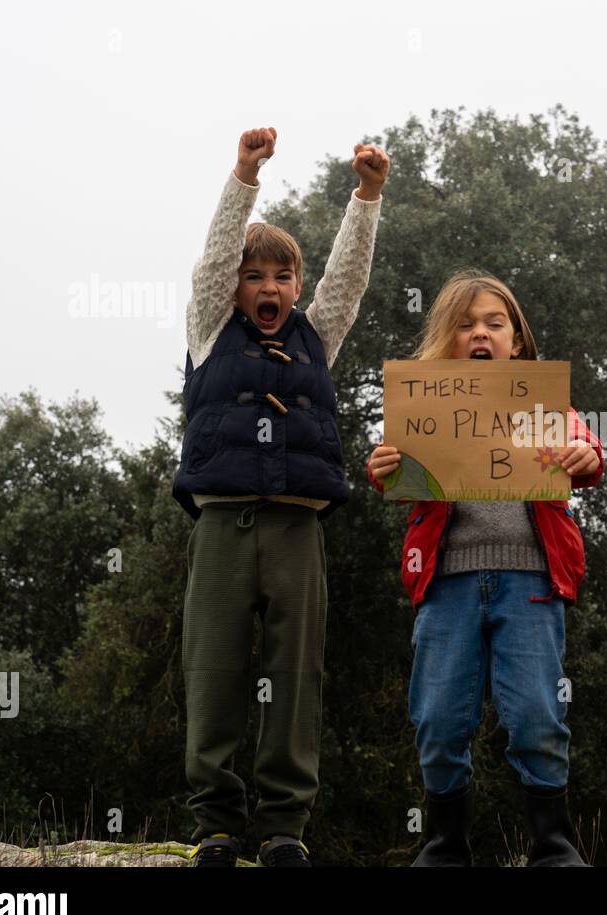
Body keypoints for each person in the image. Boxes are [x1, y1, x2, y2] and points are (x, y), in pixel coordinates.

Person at [173, 126, 389, 867]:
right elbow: (213, 258)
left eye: (281, 277)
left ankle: (283, 830)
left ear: (296, 288)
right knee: (214, 671)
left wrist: (366, 196)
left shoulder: (316, 338)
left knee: (296, 676)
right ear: (234, 286)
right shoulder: (208, 328)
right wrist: (243, 175)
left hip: (298, 529)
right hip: (222, 524)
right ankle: (217, 827)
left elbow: (349, 281)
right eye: (254, 276)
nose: (268, 288)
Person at [366, 270, 604, 866]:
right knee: (439, 717)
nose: (481, 333)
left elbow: (585, 450)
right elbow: (394, 471)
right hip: (445, 582)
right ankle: (446, 845)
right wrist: (383, 465)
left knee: (536, 716)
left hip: (530, 581)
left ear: (516, 342)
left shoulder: (547, 403)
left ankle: (553, 846)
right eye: (466, 325)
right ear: (447, 341)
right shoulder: (424, 406)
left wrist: (586, 452)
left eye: (495, 323)